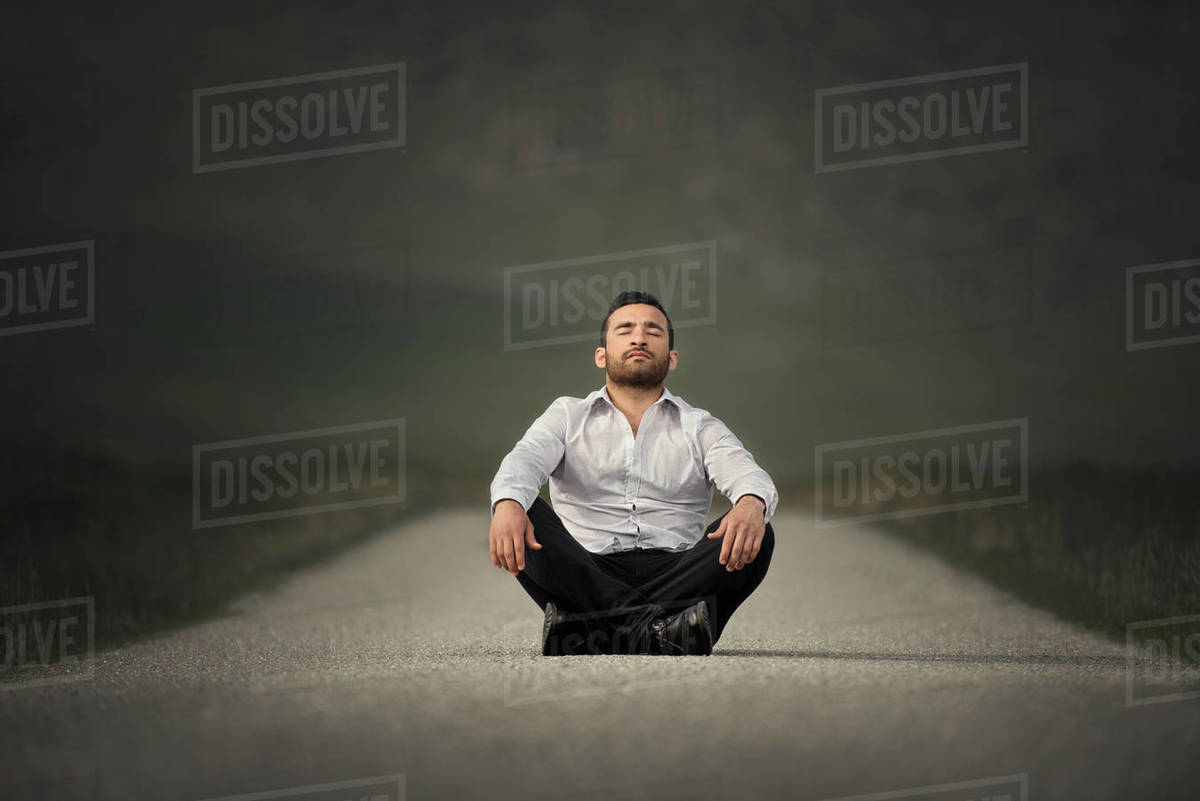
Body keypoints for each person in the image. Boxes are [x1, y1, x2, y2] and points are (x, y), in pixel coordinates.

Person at [488, 291, 778, 655]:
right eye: (625, 329)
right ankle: (666, 631)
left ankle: (594, 630)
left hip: (679, 571)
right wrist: (508, 502)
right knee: (518, 507)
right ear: (601, 355)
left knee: (757, 527)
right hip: (586, 569)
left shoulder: (699, 426)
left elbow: (747, 474)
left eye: (653, 331)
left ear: (671, 358)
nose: (639, 338)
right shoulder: (566, 415)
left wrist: (751, 503)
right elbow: (524, 459)